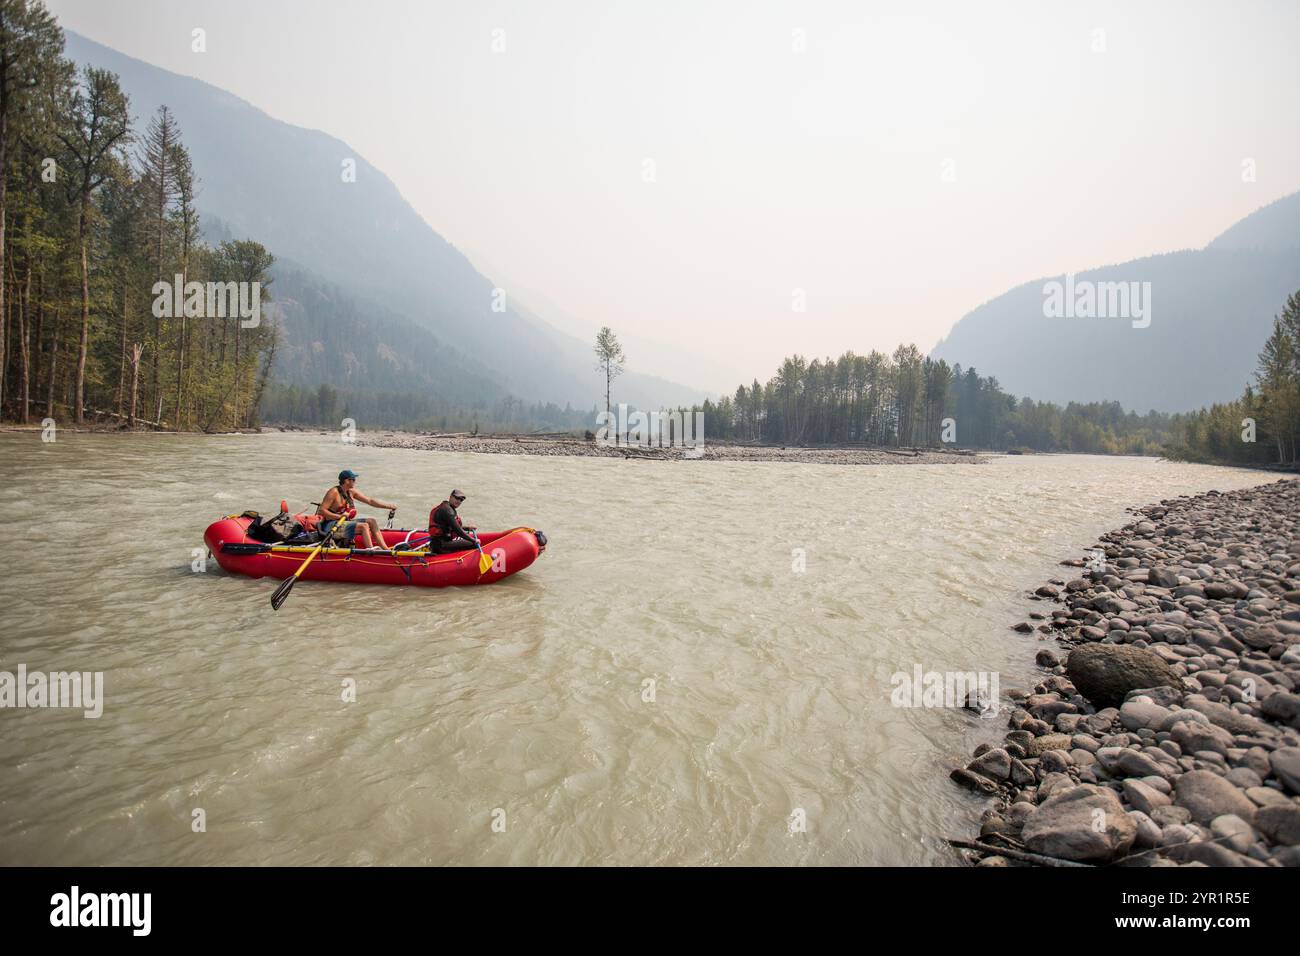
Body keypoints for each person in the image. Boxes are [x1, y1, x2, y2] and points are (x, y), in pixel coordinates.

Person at [317, 469, 397, 550]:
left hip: (344, 522)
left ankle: (385, 549)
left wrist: (389, 506)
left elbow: (370, 501)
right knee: (364, 526)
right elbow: (322, 511)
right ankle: (371, 551)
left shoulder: (351, 492)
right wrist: (339, 516)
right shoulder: (333, 492)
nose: (355, 482)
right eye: (353, 480)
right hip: (331, 526)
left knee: (372, 521)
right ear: (346, 481)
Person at [427, 489, 479, 555]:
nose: (459, 501)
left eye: (461, 500)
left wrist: (468, 528)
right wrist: (474, 540)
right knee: (473, 544)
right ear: (451, 497)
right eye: (457, 498)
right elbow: (459, 531)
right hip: (441, 546)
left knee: (469, 540)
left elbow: (453, 526)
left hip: (439, 543)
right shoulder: (448, 511)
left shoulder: (447, 507)